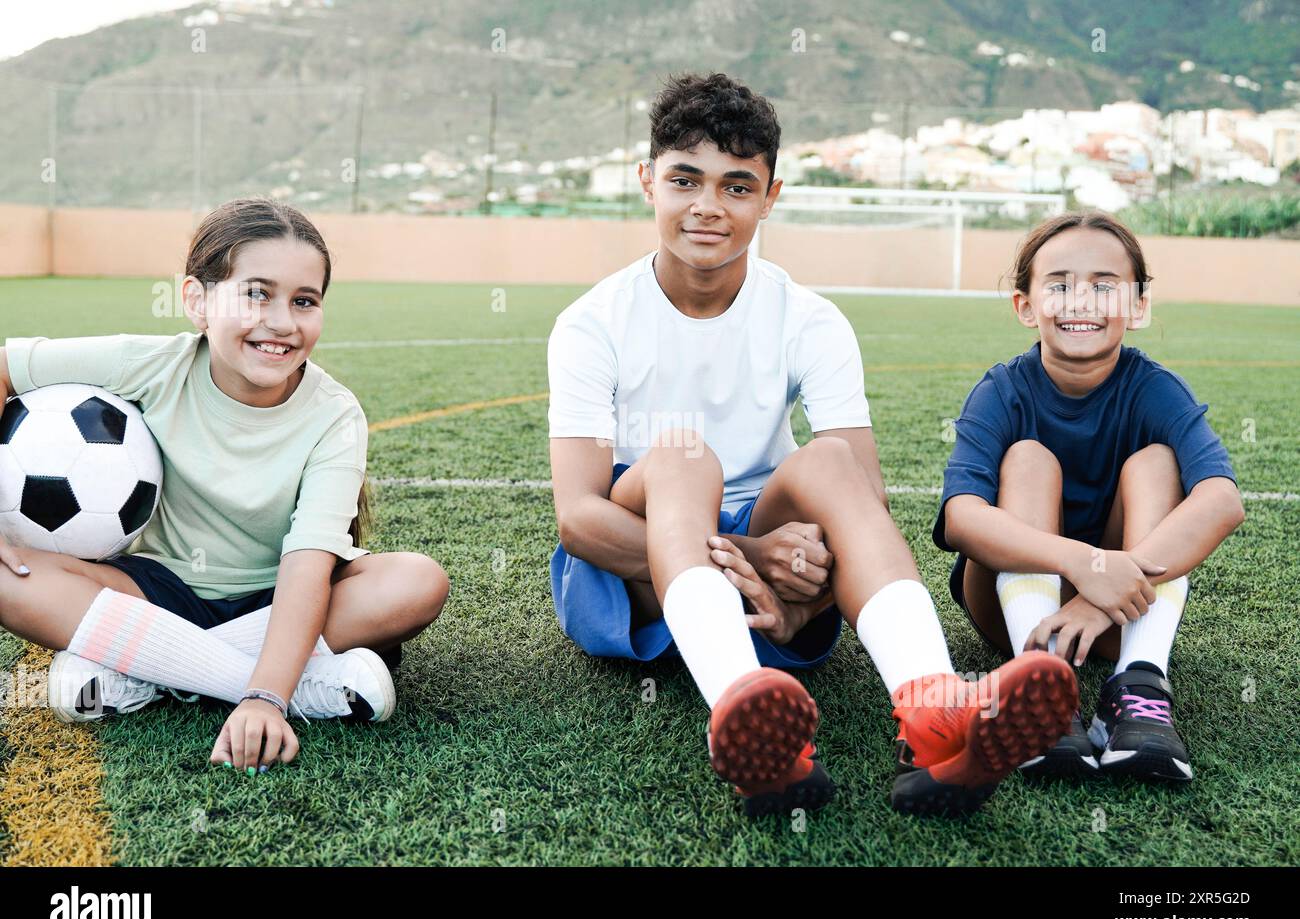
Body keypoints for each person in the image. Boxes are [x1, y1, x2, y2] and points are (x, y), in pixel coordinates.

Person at [547, 73, 1075, 818]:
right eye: (685, 179)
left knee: (829, 462)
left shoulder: (810, 318)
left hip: (776, 582)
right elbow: (578, 518)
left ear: (771, 196)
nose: (707, 206)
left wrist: (809, 589)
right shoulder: (592, 322)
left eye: (736, 186)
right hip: (627, 575)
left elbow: (866, 503)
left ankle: (934, 713)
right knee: (681, 454)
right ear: (647, 182)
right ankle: (738, 706)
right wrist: (754, 560)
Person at [0, 197, 450, 776]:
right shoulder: (153, 365)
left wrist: (266, 699)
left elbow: (309, 563)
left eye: (304, 301)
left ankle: (144, 667)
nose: (282, 321)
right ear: (197, 301)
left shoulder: (334, 415)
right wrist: (264, 692)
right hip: (157, 590)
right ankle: (293, 680)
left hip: (282, 597)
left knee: (416, 581)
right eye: (256, 293)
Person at [936, 209, 1244, 782]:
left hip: (1119, 615)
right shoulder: (1002, 391)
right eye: (1059, 285)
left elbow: (1222, 501)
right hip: (1010, 612)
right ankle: (1039, 683)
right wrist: (1084, 563)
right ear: (1025, 307)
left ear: (1139, 305)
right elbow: (961, 520)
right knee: (1029, 458)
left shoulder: (1156, 389)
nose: (1082, 301)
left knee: (1157, 463)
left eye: (1105, 286)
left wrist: (1102, 592)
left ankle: (1140, 682)